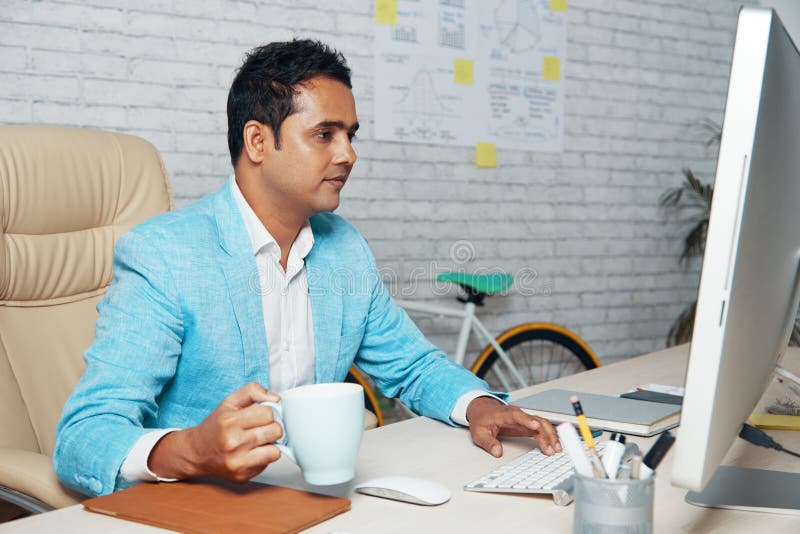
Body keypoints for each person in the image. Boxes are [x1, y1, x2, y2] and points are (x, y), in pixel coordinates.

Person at [54, 39, 561, 497]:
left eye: (350, 134)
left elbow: (412, 366)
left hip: (312, 498)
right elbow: (85, 436)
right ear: (257, 141)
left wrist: (480, 407)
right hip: (199, 505)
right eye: (325, 134)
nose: (349, 154)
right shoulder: (165, 256)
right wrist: (192, 450)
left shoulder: (344, 249)